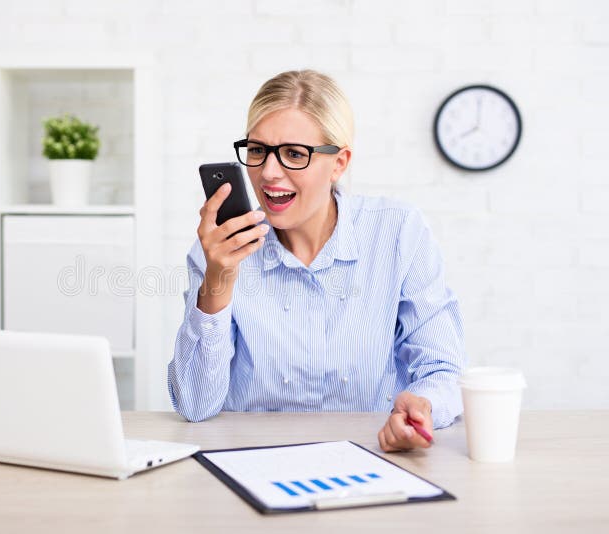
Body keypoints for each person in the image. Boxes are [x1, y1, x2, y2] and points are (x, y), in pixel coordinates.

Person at [167, 70, 466, 452]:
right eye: (257, 150)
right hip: (252, 458)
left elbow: (443, 370)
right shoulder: (217, 252)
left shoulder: (398, 232)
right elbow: (194, 404)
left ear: (339, 162)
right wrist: (219, 280)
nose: (269, 173)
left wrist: (422, 407)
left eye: (294, 154)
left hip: (370, 456)